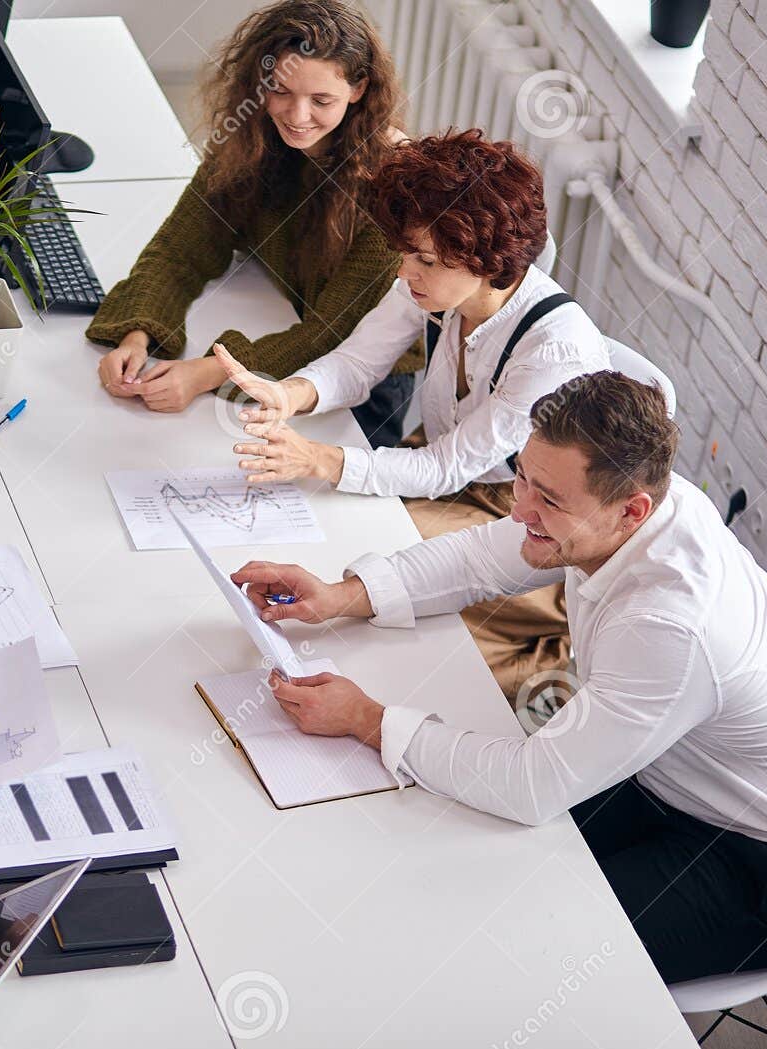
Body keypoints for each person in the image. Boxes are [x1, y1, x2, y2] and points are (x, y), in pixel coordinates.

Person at [231, 372, 767, 984]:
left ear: (631, 510)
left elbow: (531, 787)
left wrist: (367, 719)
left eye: (549, 500)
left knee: (528, 954)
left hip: (764, 859)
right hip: (670, 777)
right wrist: (340, 596)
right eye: (523, 478)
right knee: (447, 852)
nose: (521, 508)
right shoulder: (634, 506)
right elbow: (480, 558)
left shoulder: (671, 624)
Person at [222, 129, 611, 701]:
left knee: (358, 571)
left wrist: (319, 459)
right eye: (406, 253)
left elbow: (444, 468)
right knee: (337, 540)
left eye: (424, 259)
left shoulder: (554, 352)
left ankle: (535, 653)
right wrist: (293, 393)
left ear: (485, 257)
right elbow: (359, 360)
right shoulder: (434, 287)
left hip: (520, 517)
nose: (405, 272)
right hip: (446, 478)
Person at [86, 0, 421, 439]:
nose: (297, 116)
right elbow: (180, 249)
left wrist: (206, 373)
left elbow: (331, 333)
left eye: (321, 100)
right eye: (280, 91)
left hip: (361, 384)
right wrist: (137, 334)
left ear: (359, 89)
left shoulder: (394, 184)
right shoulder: (249, 138)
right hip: (276, 319)